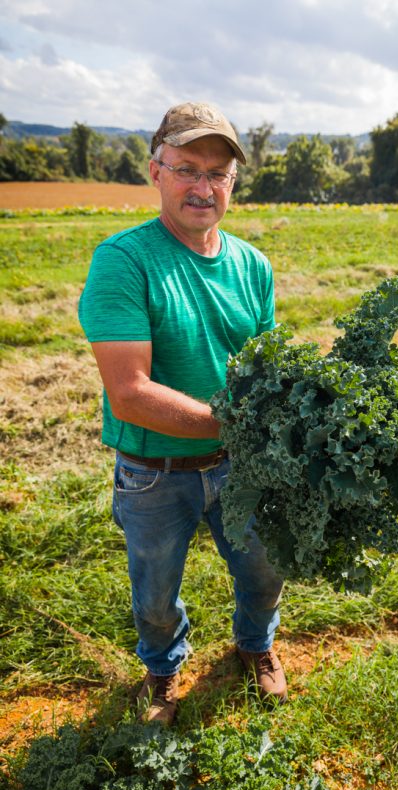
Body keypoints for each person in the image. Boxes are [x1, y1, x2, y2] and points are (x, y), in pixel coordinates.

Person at [78, 101, 287, 725]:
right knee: (156, 592)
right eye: (188, 168)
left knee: (263, 570)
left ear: (232, 183)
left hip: (241, 468)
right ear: (156, 171)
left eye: (218, 174)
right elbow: (131, 393)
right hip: (154, 470)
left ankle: (256, 645)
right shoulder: (124, 260)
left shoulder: (252, 265)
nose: (204, 187)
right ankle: (164, 669)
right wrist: (241, 423)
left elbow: (266, 370)